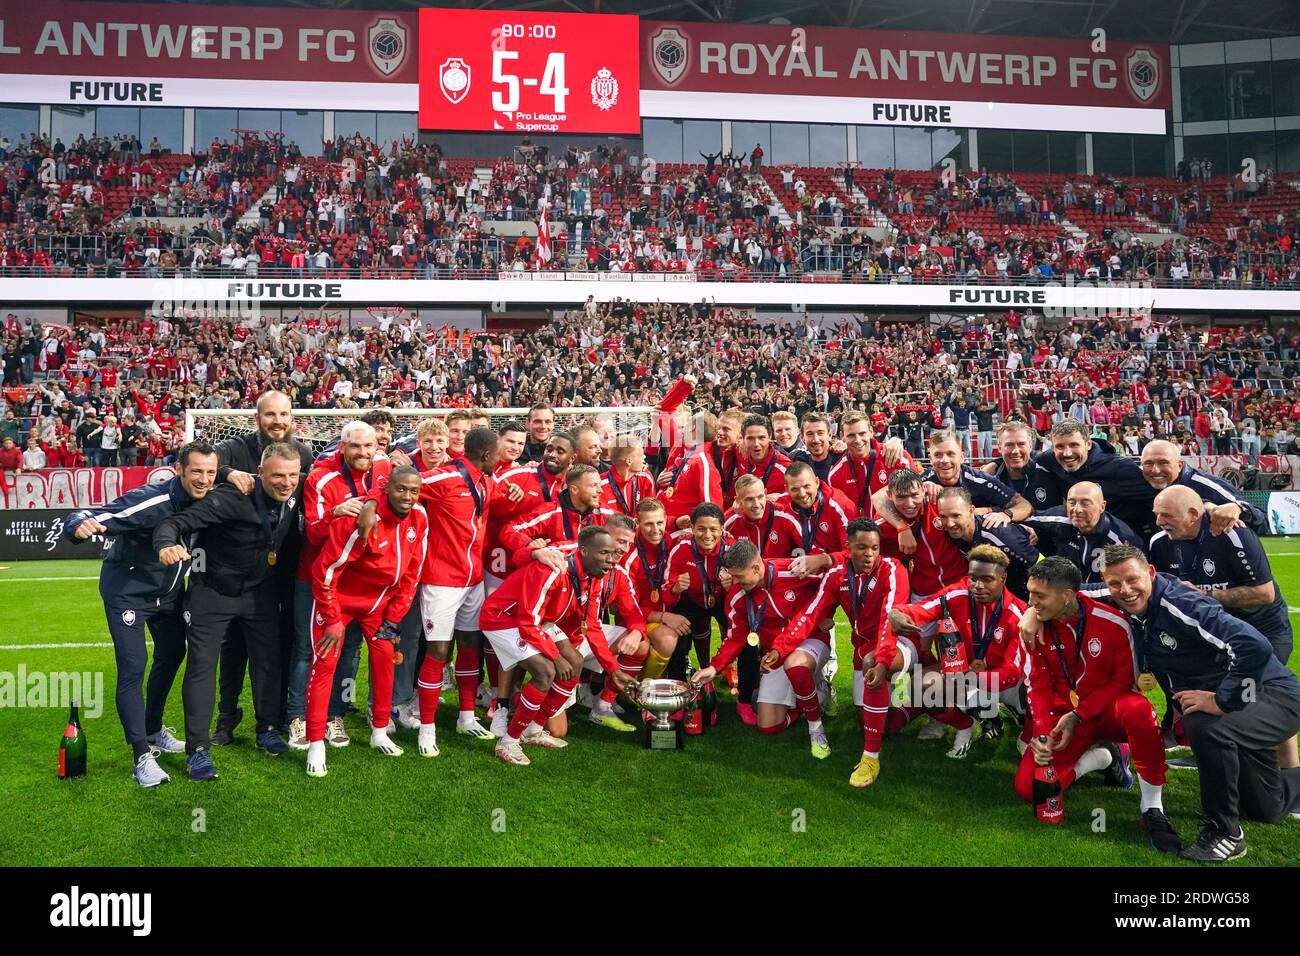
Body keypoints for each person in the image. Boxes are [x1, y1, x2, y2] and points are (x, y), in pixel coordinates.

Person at [1098, 545, 1300, 862]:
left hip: (1272, 694)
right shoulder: (1128, 600)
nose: (1125, 590)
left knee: (1205, 724)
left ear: (1150, 573)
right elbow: (1073, 592)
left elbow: (1254, 647)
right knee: (1266, 809)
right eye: (1114, 584)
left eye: (1132, 580)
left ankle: (1226, 833)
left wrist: (1221, 700)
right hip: (1247, 705)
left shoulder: (1182, 604)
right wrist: (1032, 611)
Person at [63, 441, 220, 787]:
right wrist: (77, 525)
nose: (204, 478)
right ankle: (141, 757)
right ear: (178, 470)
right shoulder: (152, 500)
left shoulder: (210, 498)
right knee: (133, 666)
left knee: (174, 652)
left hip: (169, 596)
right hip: (128, 595)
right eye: (196, 471)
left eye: (210, 472)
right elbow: (97, 516)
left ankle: (152, 729)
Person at [152, 442, 304, 781]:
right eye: (277, 475)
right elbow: (176, 523)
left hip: (259, 593)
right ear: (259, 473)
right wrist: (166, 544)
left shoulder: (298, 487)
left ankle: (266, 728)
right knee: (201, 667)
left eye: (292, 475)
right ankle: (198, 750)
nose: (286, 482)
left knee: (268, 661)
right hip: (212, 594)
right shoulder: (229, 498)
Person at [1016, 557, 1181, 853]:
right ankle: (1105, 758)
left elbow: (1123, 683)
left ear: (1066, 597)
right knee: (1030, 789)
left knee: (1138, 709)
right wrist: (1042, 735)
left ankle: (1152, 808)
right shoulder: (1033, 628)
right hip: (1062, 718)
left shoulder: (1113, 623)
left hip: (1104, 712)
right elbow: (1036, 686)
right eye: (1030, 594)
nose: (1031, 602)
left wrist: (1079, 714)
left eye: (1038, 596)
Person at [1150, 485, 1296, 769]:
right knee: (1213, 693)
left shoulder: (1232, 533)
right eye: (1157, 515)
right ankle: (1212, 753)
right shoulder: (1160, 543)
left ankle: (1291, 770)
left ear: (1193, 514)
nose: (1158, 522)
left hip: (1262, 630)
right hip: (1212, 635)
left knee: (1264, 693)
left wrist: (1203, 596)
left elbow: (1264, 593)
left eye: (1166, 515)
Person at [304, 467, 427, 776]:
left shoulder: (419, 518)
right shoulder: (357, 520)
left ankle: (380, 731)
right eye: (401, 490)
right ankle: (316, 743)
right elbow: (325, 573)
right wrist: (332, 619)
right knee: (325, 665)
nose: (408, 497)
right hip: (338, 603)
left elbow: (412, 575)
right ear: (386, 489)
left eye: (414, 491)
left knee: (385, 659)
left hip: (378, 608)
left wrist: (393, 618)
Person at [479, 525, 633, 766]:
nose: (612, 560)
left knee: (577, 661)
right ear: (583, 552)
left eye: (613, 554)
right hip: (503, 618)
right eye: (604, 553)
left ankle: (534, 730)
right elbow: (527, 621)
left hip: (539, 620)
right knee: (546, 671)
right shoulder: (551, 569)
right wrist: (555, 656)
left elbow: (592, 625)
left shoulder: (594, 578)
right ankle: (508, 742)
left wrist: (613, 669)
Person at [210, 390, 313, 746]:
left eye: (283, 415)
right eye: (270, 415)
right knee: (233, 646)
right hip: (237, 569)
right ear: (257, 418)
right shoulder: (236, 447)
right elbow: (192, 456)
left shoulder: (303, 453)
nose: (277, 421)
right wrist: (226, 472)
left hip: (284, 568)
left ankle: (276, 716)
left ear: (291, 418)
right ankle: (227, 716)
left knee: (281, 644)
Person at [285, 421, 389, 750]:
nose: (362, 453)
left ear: (377, 447)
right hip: (317, 578)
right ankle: (297, 716)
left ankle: (334, 714)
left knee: (351, 650)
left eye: (368, 446)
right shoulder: (320, 477)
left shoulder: (385, 465)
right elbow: (313, 534)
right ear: (341, 448)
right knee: (307, 649)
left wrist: (370, 503)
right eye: (355, 447)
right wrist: (335, 513)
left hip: (362, 582)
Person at [784, 519, 909, 786]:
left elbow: (891, 616)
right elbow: (811, 613)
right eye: (862, 547)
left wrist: (883, 660)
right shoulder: (837, 575)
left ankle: (870, 759)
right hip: (863, 650)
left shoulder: (892, 569)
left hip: (899, 643)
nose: (869, 554)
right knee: (877, 723)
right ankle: (919, 706)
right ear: (848, 547)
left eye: (875, 547)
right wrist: (779, 647)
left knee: (872, 662)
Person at [887, 546, 1030, 759]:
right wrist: (897, 613)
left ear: (1003, 578)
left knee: (1033, 709)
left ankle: (1014, 720)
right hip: (964, 675)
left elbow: (1011, 671)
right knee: (921, 686)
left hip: (1005, 683)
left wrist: (975, 679)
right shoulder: (955, 594)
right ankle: (966, 725)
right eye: (973, 578)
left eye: (987, 579)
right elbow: (924, 608)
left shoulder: (1018, 614)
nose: (978, 586)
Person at [690, 540, 826, 755]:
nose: (734, 582)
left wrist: (823, 613)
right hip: (774, 654)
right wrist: (714, 668)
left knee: (796, 666)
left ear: (756, 568)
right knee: (768, 726)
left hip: (810, 640)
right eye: (732, 575)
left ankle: (816, 728)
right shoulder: (737, 595)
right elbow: (735, 638)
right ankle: (811, 699)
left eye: (739, 577)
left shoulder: (792, 571)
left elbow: (833, 582)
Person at [1138, 439, 1268, 538]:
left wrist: (1237, 508)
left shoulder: (1205, 485)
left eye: (1163, 463)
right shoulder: (1136, 481)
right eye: (1148, 463)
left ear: (1180, 465)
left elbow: (1263, 522)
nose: (1155, 470)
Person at [1021, 481, 1144, 585]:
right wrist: (1022, 525)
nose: (1077, 509)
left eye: (1085, 503)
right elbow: (1025, 517)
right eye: (1072, 502)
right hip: (1066, 588)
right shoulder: (1062, 517)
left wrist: (1076, 592)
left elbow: (1128, 584)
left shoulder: (1120, 540)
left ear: (1102, 507)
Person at [933, 485, 1039, 599]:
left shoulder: (999, 534)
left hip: (1025, 595)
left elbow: (1042, 565)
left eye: (956, 516)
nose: (950, 524)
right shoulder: (949, 531)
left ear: (971, 510)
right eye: (943, 516)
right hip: (996, 595)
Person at [827, 410, 913, 519]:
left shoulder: (899, 458)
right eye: (851, 435)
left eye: (862, 433)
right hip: (863, 535)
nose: (858, 440)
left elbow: (918, 496)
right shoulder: (836, 475)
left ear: (871, 432)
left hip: (901, 533)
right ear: (842, 436)